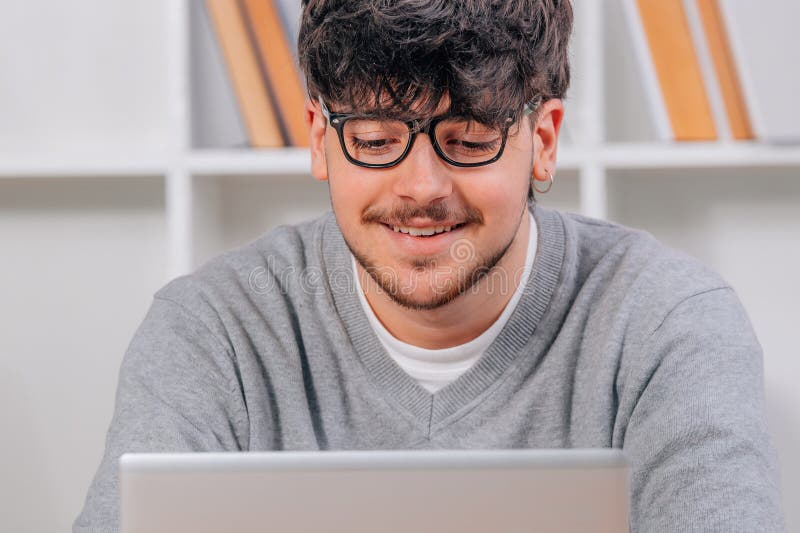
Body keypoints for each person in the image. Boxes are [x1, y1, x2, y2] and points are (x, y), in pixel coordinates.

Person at [74, 1, 786, 531]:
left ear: (542, 140)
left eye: (468, 137)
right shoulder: (213, 334)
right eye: (377, 137)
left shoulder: (668, 323)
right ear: (320, 139)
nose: (421, 187)